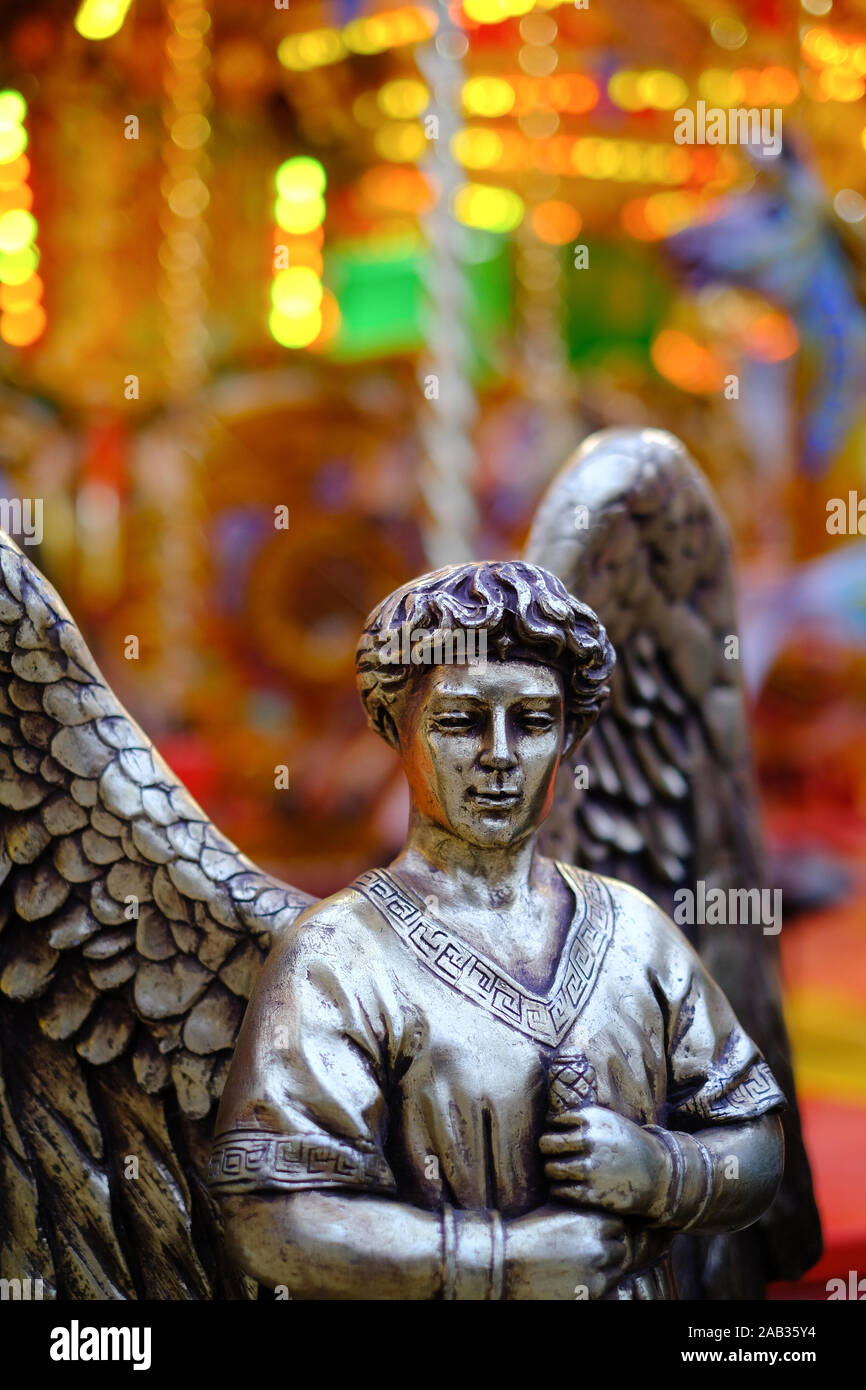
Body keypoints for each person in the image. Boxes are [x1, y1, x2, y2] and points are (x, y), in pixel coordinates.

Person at [209, 560, 785, 1300]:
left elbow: (758, 1144)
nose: (503, 756)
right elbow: (271, 1220)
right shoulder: (337, 959)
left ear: (570, 736)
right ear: (395, 725)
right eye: (460, 721)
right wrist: (503, 1262)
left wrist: (666, 1173)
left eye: (536, 721)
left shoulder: (633, 933)